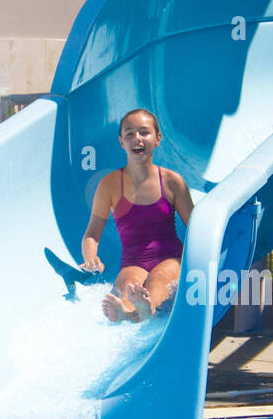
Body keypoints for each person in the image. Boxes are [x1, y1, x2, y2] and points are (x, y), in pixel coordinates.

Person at [80, 108, 193, 322]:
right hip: (134, 260)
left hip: (170, 257)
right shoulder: (110, 184)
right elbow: (92, 234)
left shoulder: (171, 181)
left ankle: (146, 308)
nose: (137, 139)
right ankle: (130, 310)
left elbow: (196, 228)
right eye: (129, 134)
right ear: (121, 142)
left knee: (158, 279)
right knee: (129, 281)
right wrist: (90, 257)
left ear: (157, 138)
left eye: (144, 132)